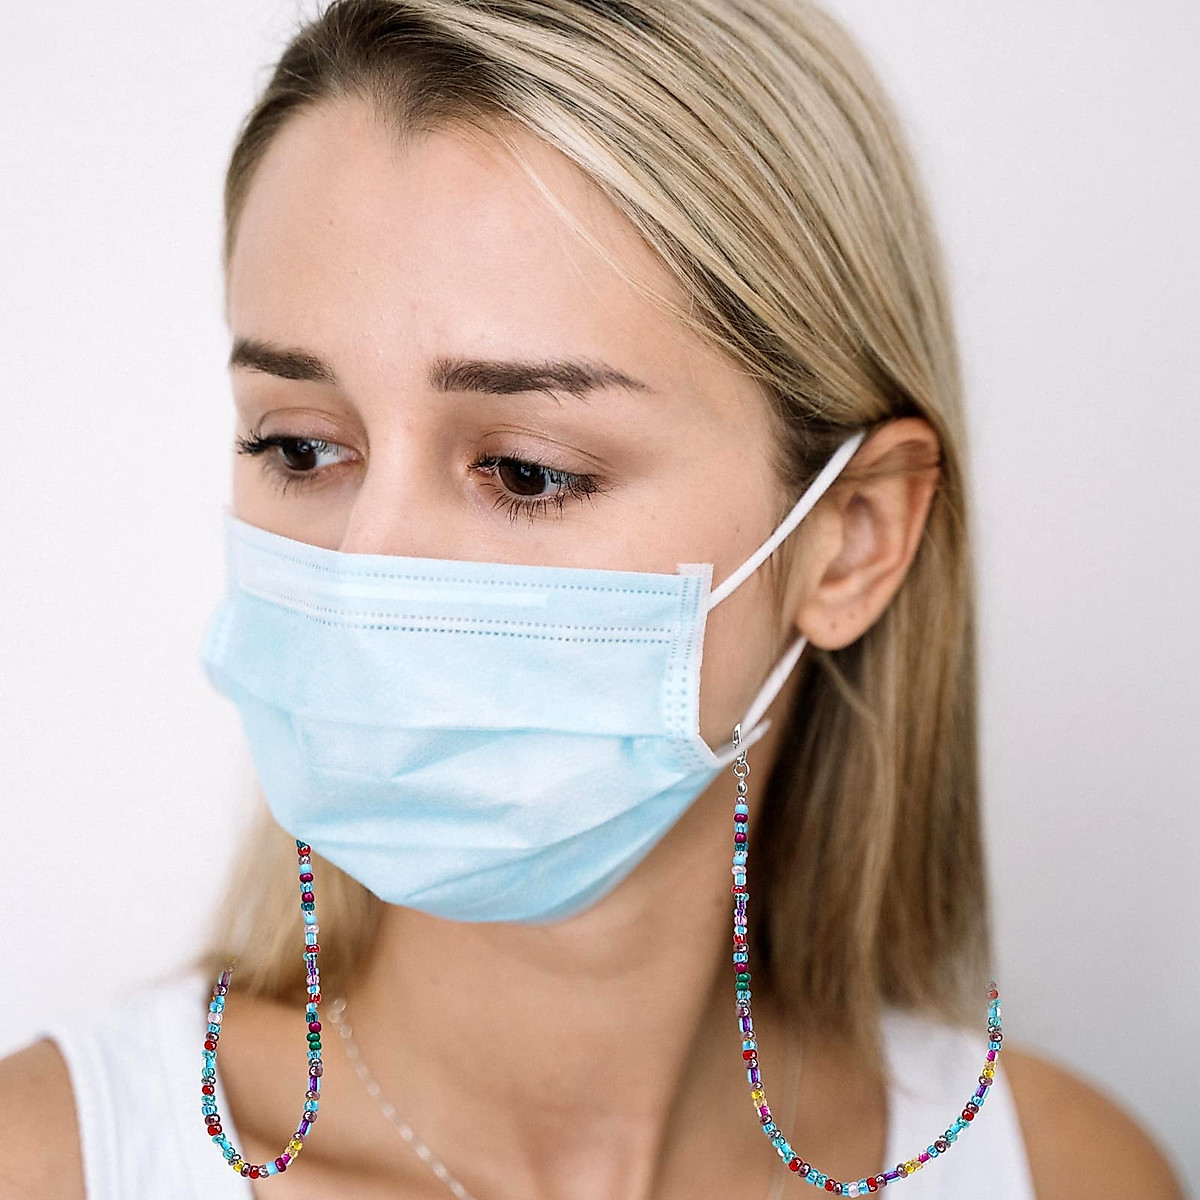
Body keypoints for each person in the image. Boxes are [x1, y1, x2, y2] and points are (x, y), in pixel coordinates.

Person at [1, 1, 1185, 1197]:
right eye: (300, 448)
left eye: (528, 471)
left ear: (851, 541)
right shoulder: (49, 1164)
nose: (368, 571)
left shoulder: (1068, 1174)